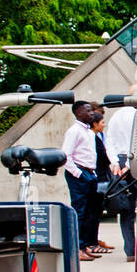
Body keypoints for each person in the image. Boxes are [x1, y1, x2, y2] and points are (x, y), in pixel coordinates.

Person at [104, 84, 137, 261]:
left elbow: (109, 140)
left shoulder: (116, 115)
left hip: (119, 162)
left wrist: (114, 162)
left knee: (125, 209)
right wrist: (128, 163)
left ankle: (130, 251)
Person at [61, 100, 100, 262]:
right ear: (78, 113)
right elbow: (65, 156)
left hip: (90, 173)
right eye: (88, 111)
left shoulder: (89, 132)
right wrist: (78, 173)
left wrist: (93, 173)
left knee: (90, 212)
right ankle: (76, 248)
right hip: (79, 173)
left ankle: (84, 246)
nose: (92, 113)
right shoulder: (74, 131)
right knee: (80, 211)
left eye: (92, 111)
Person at [85, 110, 112, 255]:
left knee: (95, 211)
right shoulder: (93, 139)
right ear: (95, 124)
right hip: (99, 178)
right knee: (93, 211)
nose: (104, 125)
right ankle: (91, 243)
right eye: (102, 122)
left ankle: (92, 241)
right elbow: (103, 157)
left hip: (100, 176)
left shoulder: (97, 137)